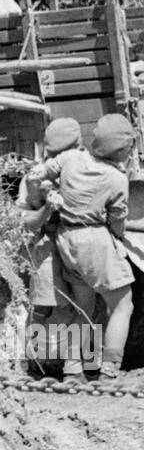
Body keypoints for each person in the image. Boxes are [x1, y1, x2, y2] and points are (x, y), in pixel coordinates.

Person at [30, 113, 137, 382]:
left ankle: (73, 369)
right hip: (95, 242)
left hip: (67, 240)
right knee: (123, 305)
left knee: (83, 309)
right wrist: (118, 239)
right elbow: (117, 222)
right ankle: (110, 370)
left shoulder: (71, 158)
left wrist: (43, 189)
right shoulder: (116, 179)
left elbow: (39, 173)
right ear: (122, 150)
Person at [19, 118, 82, 375]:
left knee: (71, 306)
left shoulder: (67, 170)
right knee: (50, 306)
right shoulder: (36, 177)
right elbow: (28, 222)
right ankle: (33, 360)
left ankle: (52, 359)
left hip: (65, 244)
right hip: (47, 247)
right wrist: (46, 208)